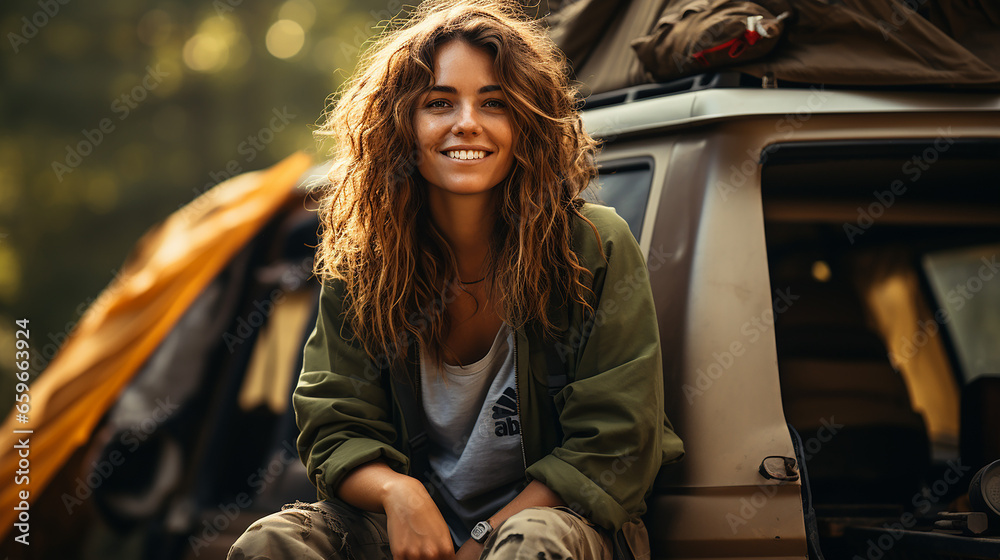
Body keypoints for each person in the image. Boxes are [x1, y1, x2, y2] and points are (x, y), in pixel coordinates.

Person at [228, 1, 684, 559]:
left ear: (525, 125)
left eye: (494, 104)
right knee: (274, 543)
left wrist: (484, 540)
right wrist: (398, 493)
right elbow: (333, 422)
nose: (466, 122)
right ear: (400, 127)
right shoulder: (363, 260)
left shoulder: (592, 246)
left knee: (531, 543)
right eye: (439, 103)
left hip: (561, 527)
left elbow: (615, 443)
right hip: (412, 535)